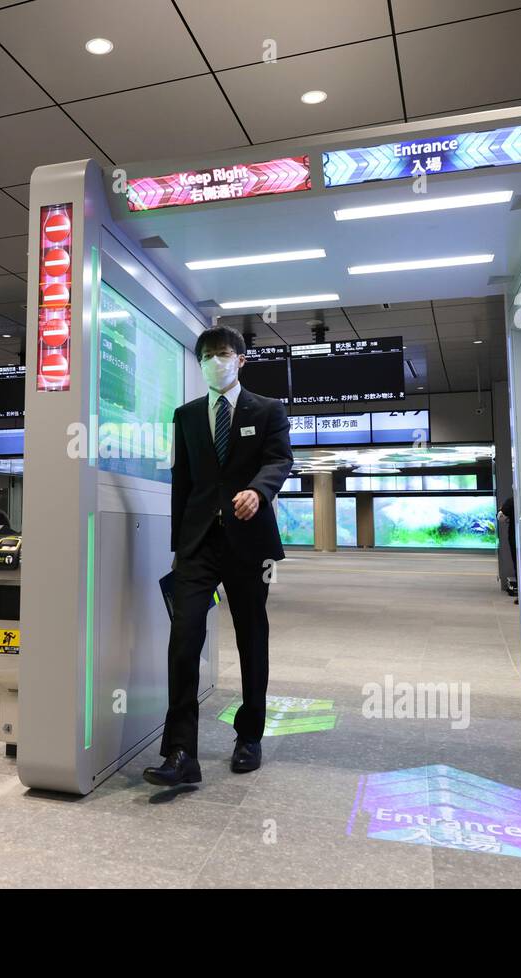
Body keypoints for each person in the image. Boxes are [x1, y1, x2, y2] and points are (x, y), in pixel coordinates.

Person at [143, 324, 293, 787]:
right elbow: (183, 485)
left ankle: (249, 736)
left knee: (251, 638)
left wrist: (259, 491)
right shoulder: (185, 415)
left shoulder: (267, 410)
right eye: (206, 356)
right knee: (184, 639)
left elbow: (280, 460)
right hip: (198, 545)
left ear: (241, 360)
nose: (214, 361)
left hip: (249, 543)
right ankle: (181, 752)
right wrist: (177, 548)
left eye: (223, 353)